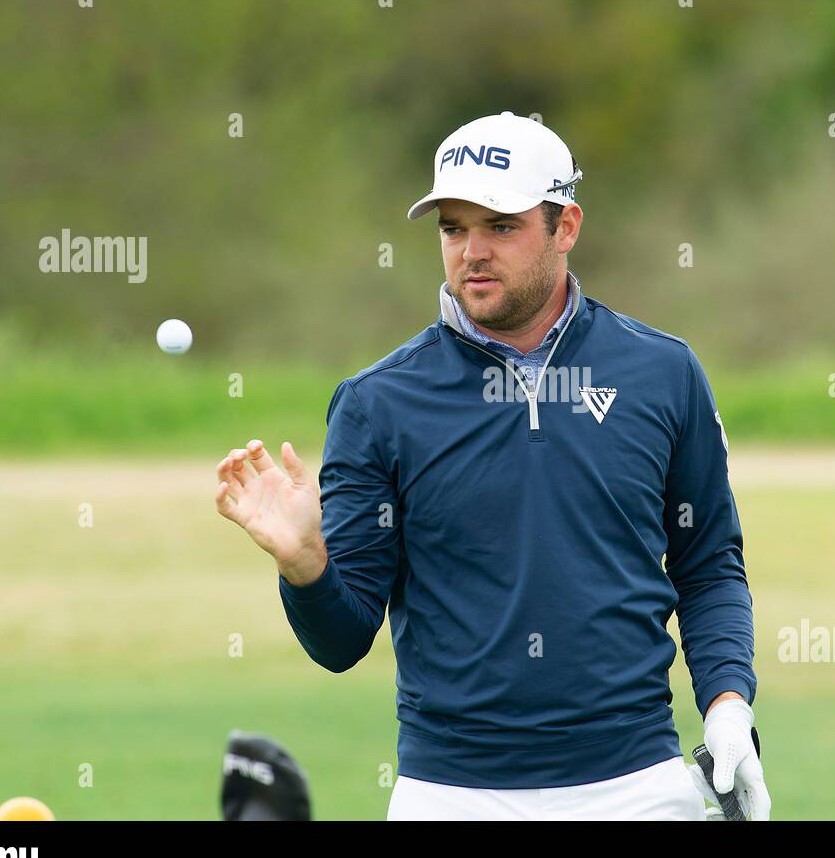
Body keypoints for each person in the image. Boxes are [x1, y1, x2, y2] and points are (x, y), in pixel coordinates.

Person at [214, 111, 769, 820]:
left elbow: (709, 563)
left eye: (500, 226)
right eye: (452, 227)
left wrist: (726, 704)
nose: (471, 251)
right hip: (449, 795)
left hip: (637, 787)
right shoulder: (376, 403)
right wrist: (305, 566)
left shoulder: (663, 373)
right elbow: (341, 641)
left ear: (566, 227)